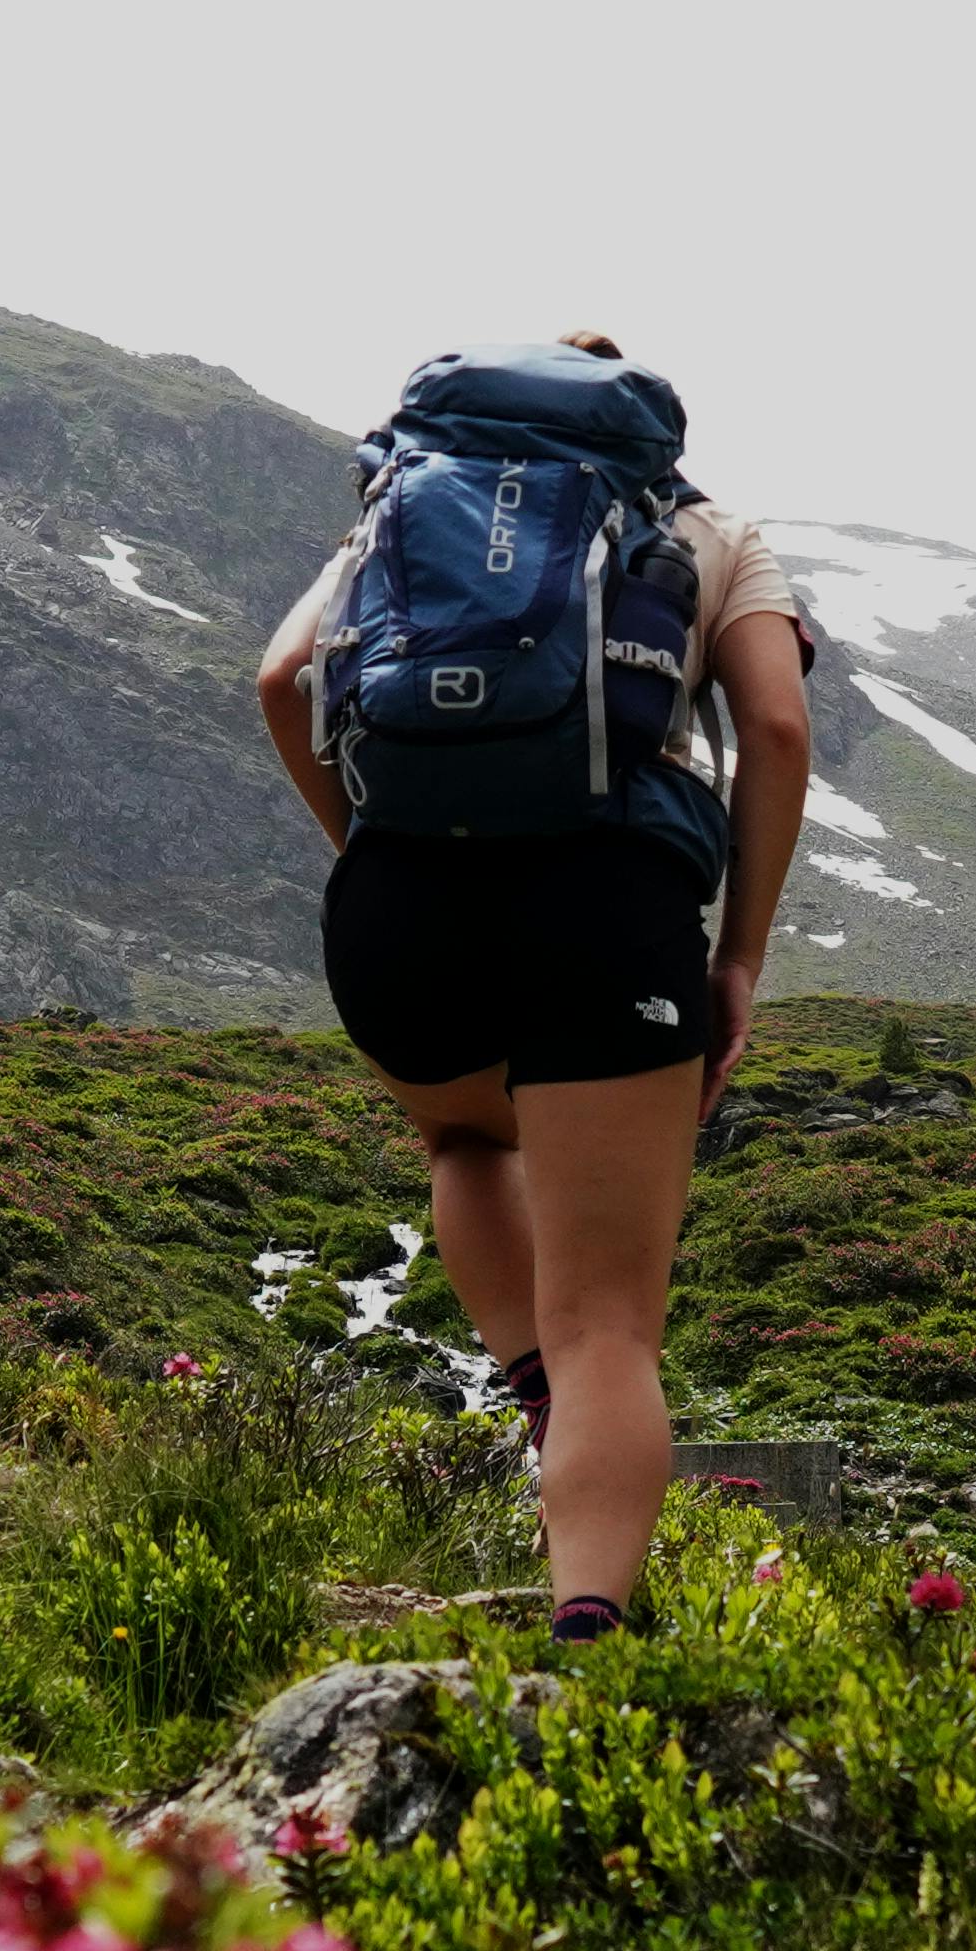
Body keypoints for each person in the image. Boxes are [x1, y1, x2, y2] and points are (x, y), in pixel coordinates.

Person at [254, 334, 815, 1645]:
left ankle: (533, 1385)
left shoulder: (406, 507)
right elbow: (778, 730)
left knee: (461, 1131)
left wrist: (371, 853)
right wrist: (738, 954)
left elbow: (283, 684)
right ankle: (588, 1627)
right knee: (612, 1319)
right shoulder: (702, 525)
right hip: (605, 903)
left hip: (397, 899)